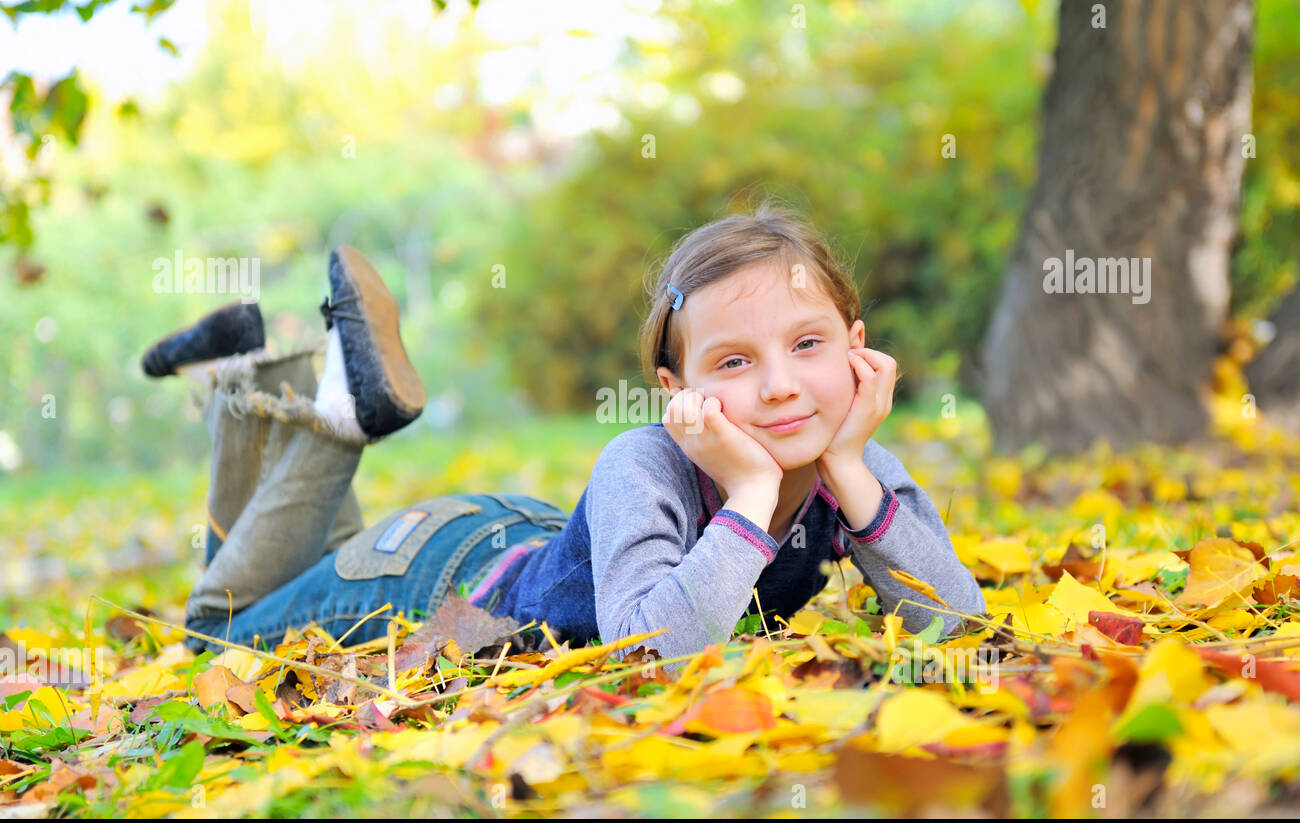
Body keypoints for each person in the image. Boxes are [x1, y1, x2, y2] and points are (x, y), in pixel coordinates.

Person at [147, 200, 986, 663]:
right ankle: (335, 412)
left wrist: (850, 469)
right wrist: (756, 492)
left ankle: (248, 376)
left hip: (518, 539)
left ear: (857, 351)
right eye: (732, 362)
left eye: (808, 346)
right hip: (438, 581)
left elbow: (956, 623)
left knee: (301, 567)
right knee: (217, 630)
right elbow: (652, 650)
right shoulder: (643, 461)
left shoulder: (856, 466)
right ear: (675, 389)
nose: (778, 386)